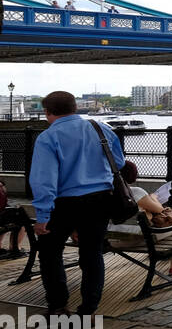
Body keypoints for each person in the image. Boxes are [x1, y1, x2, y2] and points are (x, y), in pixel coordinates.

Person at [31, 91, 122, 315]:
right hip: (100, 200)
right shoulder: (101, 129)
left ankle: (58, 305)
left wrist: (42, 216)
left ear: (47, 112)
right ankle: (88, 309)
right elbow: (118, 162)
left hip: (64, 203)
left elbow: (44, 180)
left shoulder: (48, 137)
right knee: (92, 254)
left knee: (50, 253)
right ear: (75, 108)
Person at [120, 161, 172, 279]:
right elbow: (159, 209)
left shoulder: (104, 193)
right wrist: (153, 197)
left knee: (159, 226)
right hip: (137, 240)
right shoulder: (135, 192)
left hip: (110, 240)